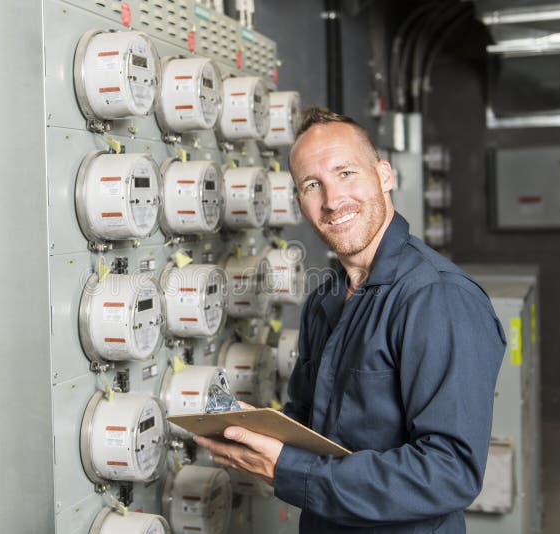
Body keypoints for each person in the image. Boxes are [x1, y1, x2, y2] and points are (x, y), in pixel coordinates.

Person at [193, 107, 506, 533]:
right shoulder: (325, 300)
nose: (333, 200)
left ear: (384, 174)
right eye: (312, 185)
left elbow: (450, 472)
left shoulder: (437, 297)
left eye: (345, 173)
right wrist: (254, 433)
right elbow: (315, 427)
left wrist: (289, 470)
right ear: (299, 202)